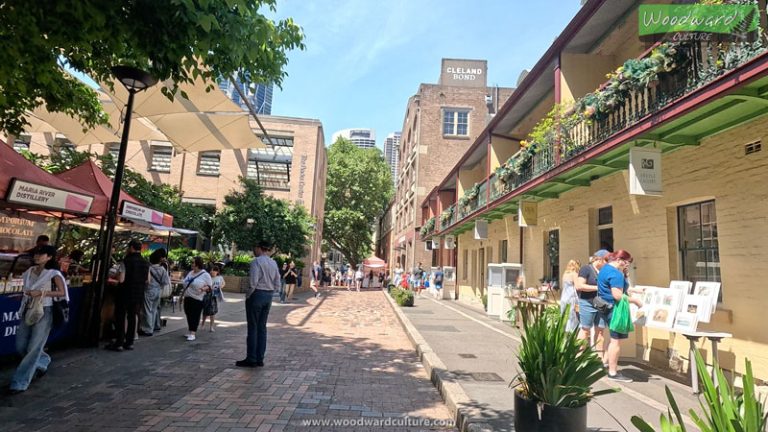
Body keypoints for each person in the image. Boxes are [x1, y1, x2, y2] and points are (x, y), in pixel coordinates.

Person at [8, 245, 67, 394]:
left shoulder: (53, 274)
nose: (37, 256)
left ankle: (20, 382)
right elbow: (26, 289)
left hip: (45, 310)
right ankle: (42, 361)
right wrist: (23, 295)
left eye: (41, 254)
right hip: (28, 309)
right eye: (36, 254)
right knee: (21, 345)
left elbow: (62, 292)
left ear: (49, 257)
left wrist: (41, 293)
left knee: (34, 347)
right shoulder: (29, 272)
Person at [597, 250, 644, 382]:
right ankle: (613, 373)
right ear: (619, 260)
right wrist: (635, 301)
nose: (627, 265)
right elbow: (617, 295)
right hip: (615, 309)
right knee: (615, 341)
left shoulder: (605, 269)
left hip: (604, 307)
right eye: (627, 262)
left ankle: (605, 363)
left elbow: (614, 288)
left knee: (612, 338)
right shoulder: (616, 273)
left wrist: (634, 289)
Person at [236, 241, 280, 368]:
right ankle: (260, 358)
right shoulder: (273, 263)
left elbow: (253, 282)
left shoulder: (256, 262)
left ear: (259, 248)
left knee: (253, 327)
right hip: (268, 295)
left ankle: (251, 358)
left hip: (257, 294)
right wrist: (271, 291)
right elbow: (278, 282)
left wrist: (248, 295)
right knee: (262, 327)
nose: (253, 250)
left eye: (254, 248)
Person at [106, 240, 149, 352]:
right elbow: (147, 280)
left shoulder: (125, 262)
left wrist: (115, 277)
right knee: (132, 317)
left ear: (131, 248)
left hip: (124, 292)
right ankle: (129, 342)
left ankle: (119, 342)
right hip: (138, 294)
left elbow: (121, 279)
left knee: (120, 317)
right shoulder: (145, 263)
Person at [576, 250, 609, 354]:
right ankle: (579, 357)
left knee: (600, 331)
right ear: (599, 259)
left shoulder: (604, 272)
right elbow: (579, 286)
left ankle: (599, 358)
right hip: (587, 302)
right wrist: (598, 288)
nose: (608, 263)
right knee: (585, 330)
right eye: (606, 260)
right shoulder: (586, 269)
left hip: (601, 303)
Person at [139, 250, 170, 336]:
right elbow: (165, 282)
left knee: (147, 310)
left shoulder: (149, 268)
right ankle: (151, 328)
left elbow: (146, 280)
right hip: (158, 291)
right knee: (153, 310)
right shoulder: (162, 269)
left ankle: (147, 329)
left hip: (148, 290)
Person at [181, 257, 212, 342]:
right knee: (188, 314)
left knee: (195, 315)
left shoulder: (205, 275)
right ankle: (190, 330)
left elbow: (210, 287)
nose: (191, 264)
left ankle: (193, 333)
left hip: (197, 298)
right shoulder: (191, 273)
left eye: (193, 262)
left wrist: (202, 289)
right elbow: (185, 282)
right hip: (187, 297)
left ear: (198, 264)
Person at [201, 265, 225, 332]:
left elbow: (223, 283)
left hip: (214, 296)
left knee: (213, 312)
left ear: (217, 272)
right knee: (205, 311)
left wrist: (221, 286)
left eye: (214, 270)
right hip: (207, 295)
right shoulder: (208, 278)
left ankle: (211, 327)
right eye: (211, 270)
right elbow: (203, 285)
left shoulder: (220, 277)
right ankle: (202, 324)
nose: (212, 272)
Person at [560, 259, 581, 333]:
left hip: (564, 297)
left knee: (565, 316)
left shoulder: (565, 274)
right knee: (573, 317)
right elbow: (577, 287)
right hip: (572, 297)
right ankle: (571, 333)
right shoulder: (574, 274)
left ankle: (564, 332)